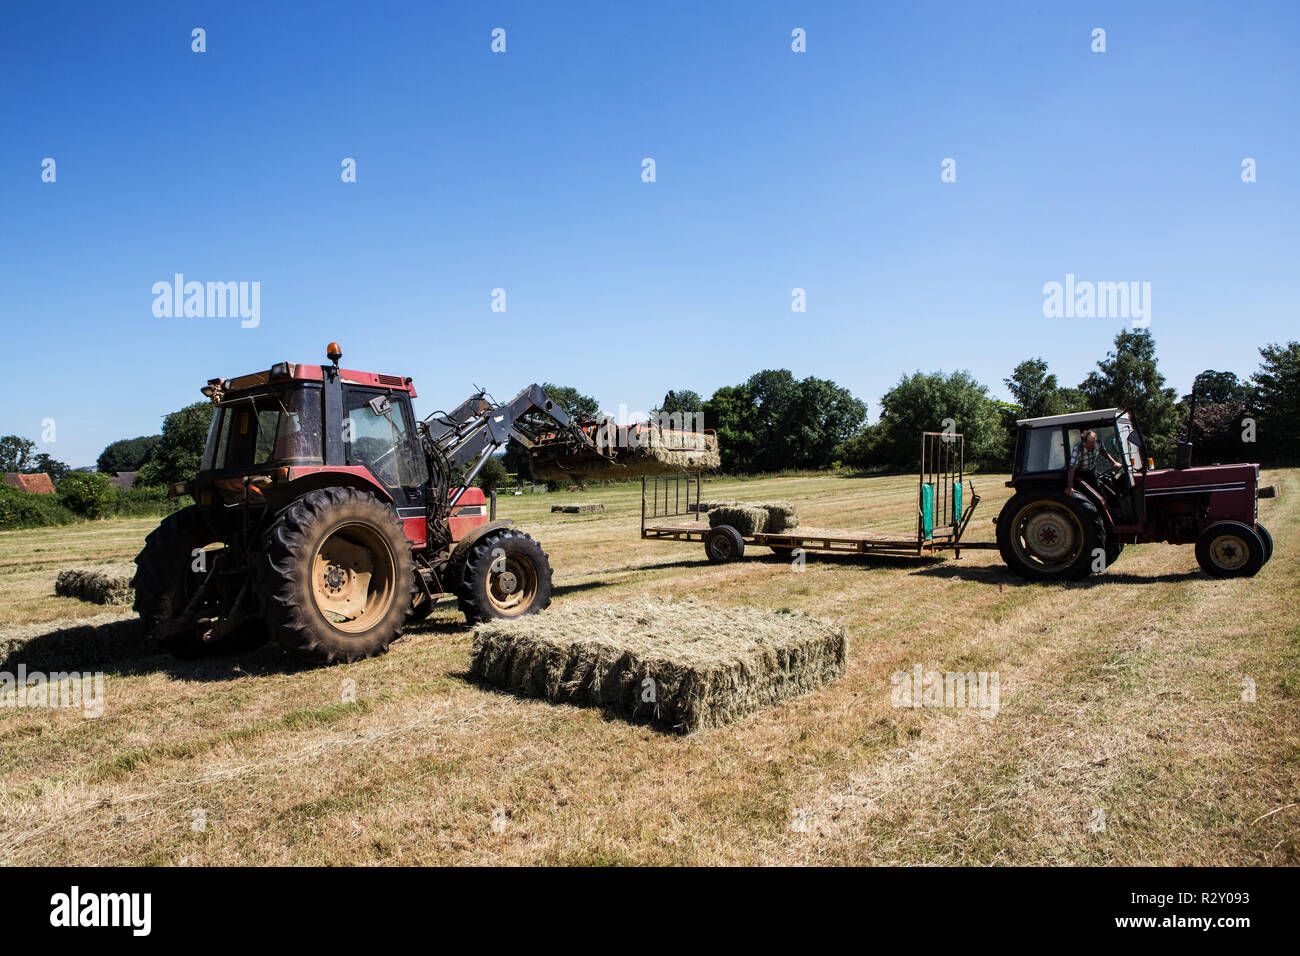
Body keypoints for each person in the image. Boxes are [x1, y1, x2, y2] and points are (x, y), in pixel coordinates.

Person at [1066, 429, 1121, 495]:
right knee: (1084, 492)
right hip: (1079, 473)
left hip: (1091, 470)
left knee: (1098, 491)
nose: (1092, 447)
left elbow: (1103, 452)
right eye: (1089, 445)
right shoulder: (1078, 447)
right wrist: (1070, 487)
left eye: (1093, 444)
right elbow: (1072, 467)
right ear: (1085, 441)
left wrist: (1114, 462)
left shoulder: (1098, 443)